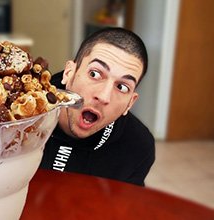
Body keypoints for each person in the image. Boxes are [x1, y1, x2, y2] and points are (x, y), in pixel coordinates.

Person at [39, 27, 155, 186]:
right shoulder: (20, 113)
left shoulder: (137, 147)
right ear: (69, 73)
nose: (103, 97)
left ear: (130, 102)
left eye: (122, 87)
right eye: (95, 74)